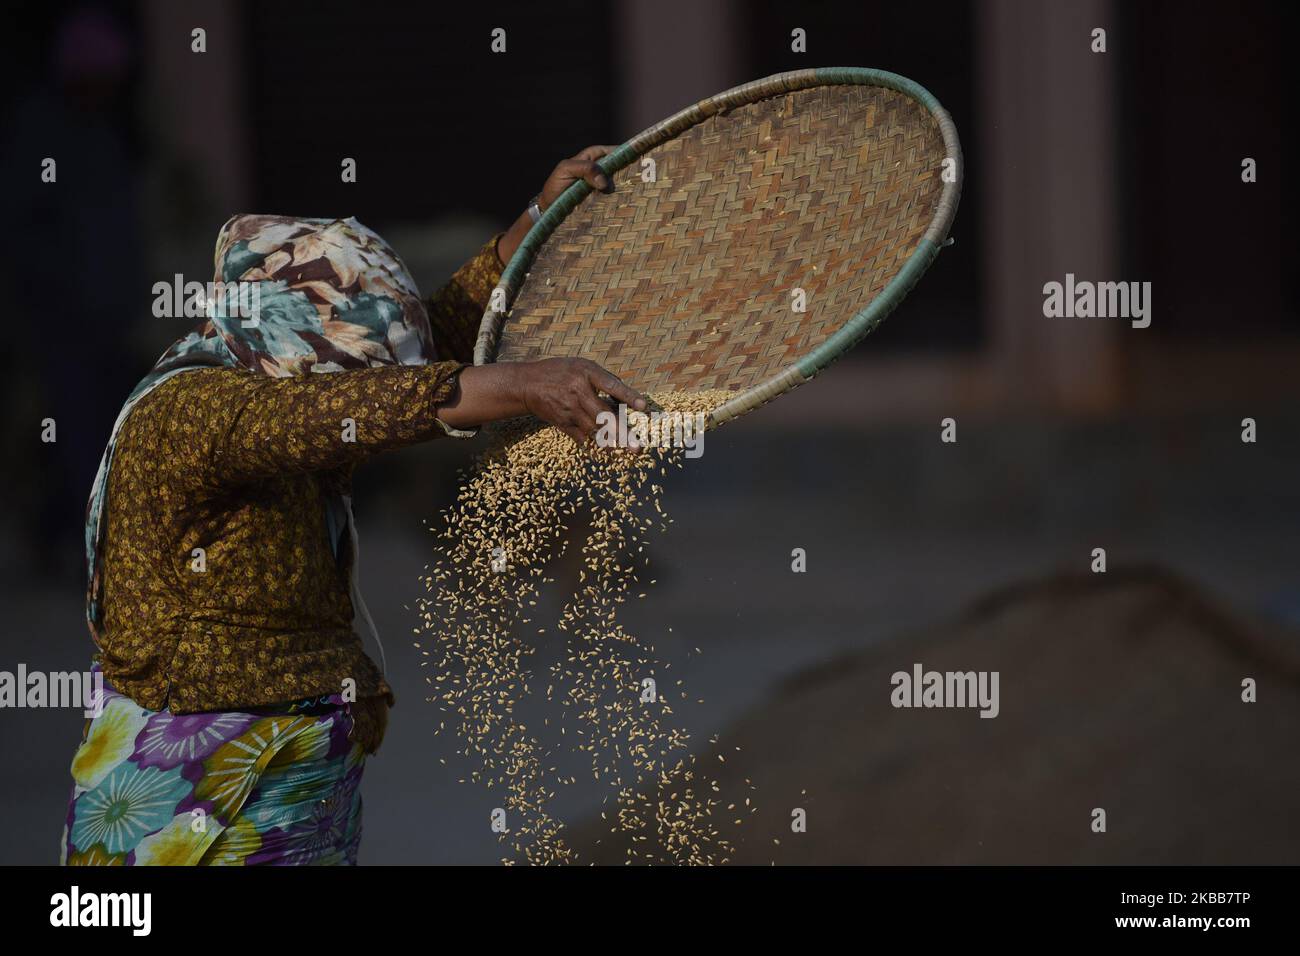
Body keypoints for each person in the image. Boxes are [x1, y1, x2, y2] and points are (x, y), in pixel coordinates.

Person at [60, 147, 646, 865]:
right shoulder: (191, 412)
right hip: (196, 794)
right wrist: (525, 386)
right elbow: (360, 403)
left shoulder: (273, 366)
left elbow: (423, 342)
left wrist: (535, 218)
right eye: (343, 369)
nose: (356, 379)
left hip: (294, 772)